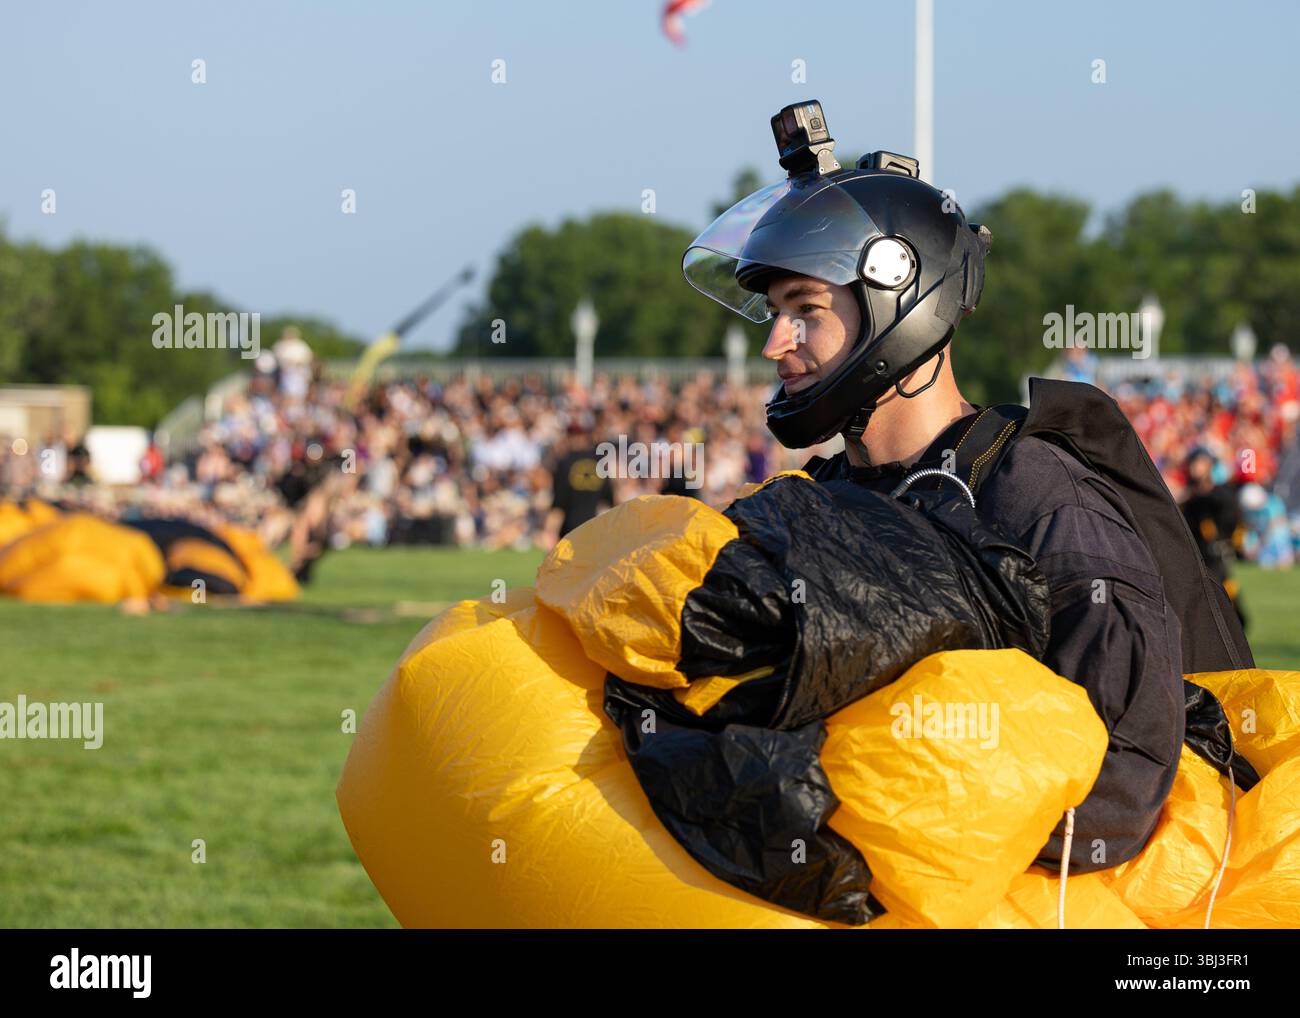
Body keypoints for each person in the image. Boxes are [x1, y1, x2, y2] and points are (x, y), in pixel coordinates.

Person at [681, 99, 1234, 873]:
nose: (776, 342)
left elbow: (1124, 781)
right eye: (774, 314)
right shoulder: (818, 499)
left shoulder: (1038, 498)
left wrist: (877, 831)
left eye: (805, 311)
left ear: (897, 301)